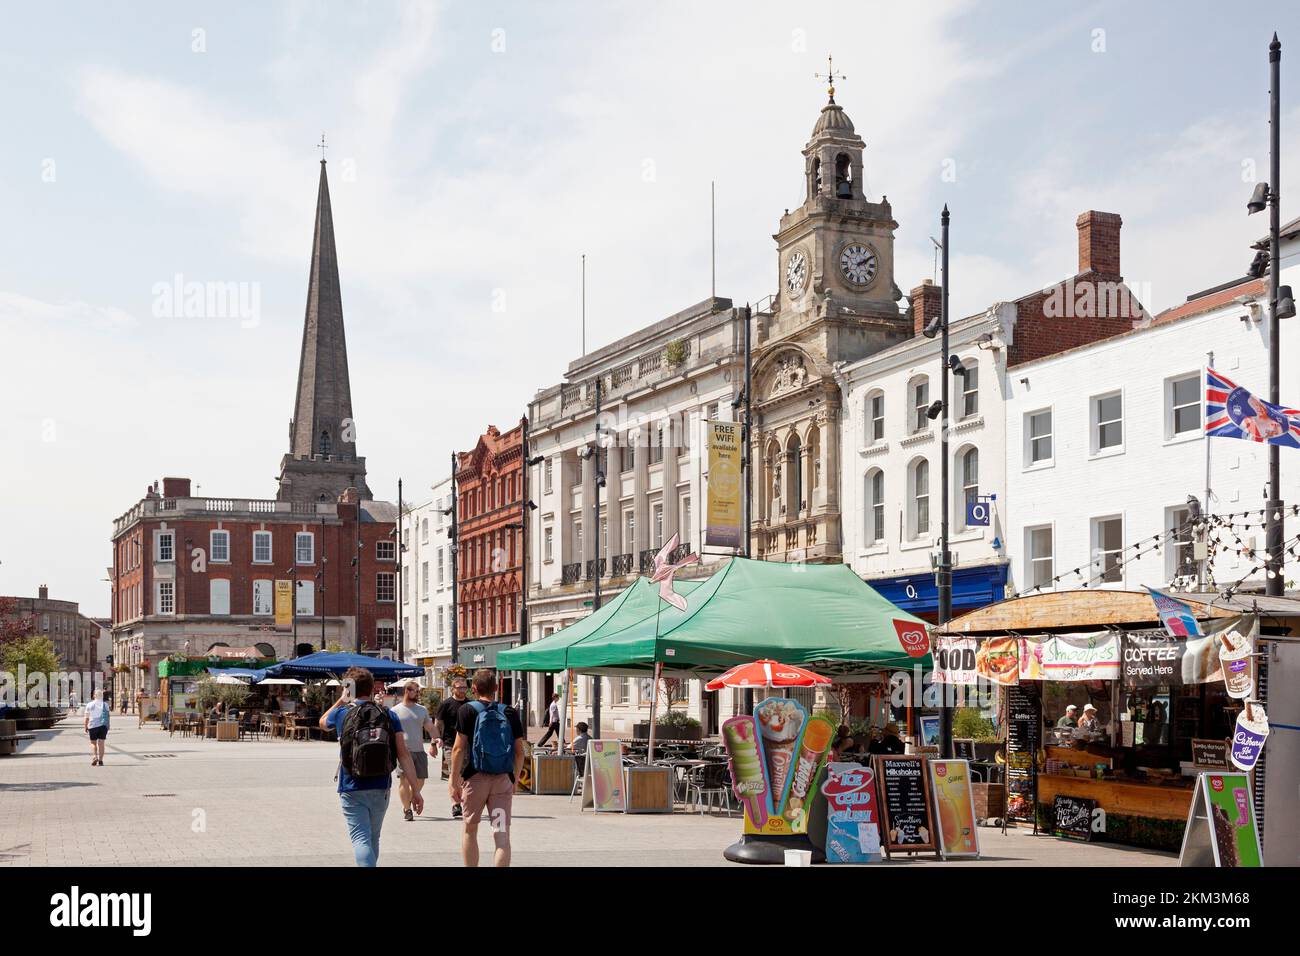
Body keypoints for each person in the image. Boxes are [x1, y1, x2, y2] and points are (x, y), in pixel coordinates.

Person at [319, 667, 423, 867]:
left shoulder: (342, 713)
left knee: (361, 838)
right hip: (381, 784)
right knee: (373, 837)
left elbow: (323, 722)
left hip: (351, 785)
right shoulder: (388, 715)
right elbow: (403, 754)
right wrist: (415, 791)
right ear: (372, 687)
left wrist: (343, 698)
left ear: (349, 688)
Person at [449, 669, 525, 868]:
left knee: (470, 829)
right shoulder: (509, 712)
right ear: (497, 688)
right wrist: (514, 779)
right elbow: (519, 752)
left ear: (473, 688)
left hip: (475, 778)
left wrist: (453, 780)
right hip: (502, 779)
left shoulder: (466, 710)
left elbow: (458, 748)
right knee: (501, 835)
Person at [391, 679, 437, 822]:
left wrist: (436, 740)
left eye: (418, 691)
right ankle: (407, 809)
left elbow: (430, 727)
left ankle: (410, 799)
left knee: (420, 780)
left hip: (419, 750)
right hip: (402, 751)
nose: (418, 694)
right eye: (415, 691)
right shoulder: (395, 711)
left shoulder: (421, 709)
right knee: (404, 780)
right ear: (407, 691)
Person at [434, 677, 470, 818]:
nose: (462, 690)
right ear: (453, 689)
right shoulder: (446, 704)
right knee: (453, 773)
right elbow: (438, 724)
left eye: (464, 687)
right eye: (459, 687)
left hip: (468, 744)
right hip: (450, 744)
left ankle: (461, 799)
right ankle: (455, 804)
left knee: (464, 775)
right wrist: (434, 742)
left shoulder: (470, 704)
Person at [84, 690, 110, 766]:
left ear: (94, 696)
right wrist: (108, 725)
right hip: (103, 726)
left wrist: (85, 726)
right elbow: (108, 716)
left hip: (92, 726)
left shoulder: (90, 704)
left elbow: (86, 717)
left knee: (93, 743)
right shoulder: (105, 704)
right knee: (101, 743)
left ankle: (95, 756)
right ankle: (101, 760)